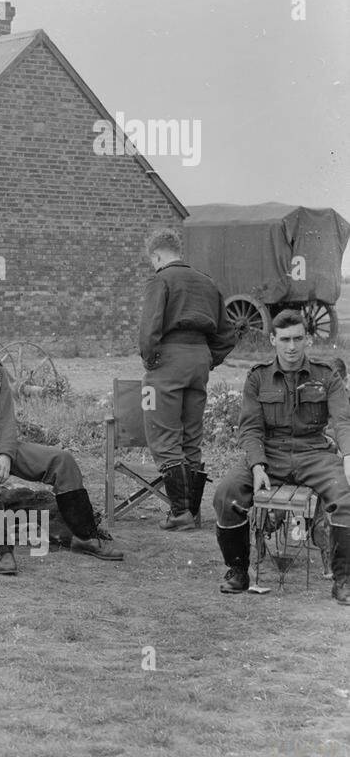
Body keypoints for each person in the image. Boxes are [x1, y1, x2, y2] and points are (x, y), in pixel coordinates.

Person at [0, 303, 124, 575]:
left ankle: (85, 537)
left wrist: (5, 453)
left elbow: (5, 418)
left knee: (62, 460)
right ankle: (2, 550)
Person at [211, 309, 350, 602]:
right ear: (273, 339)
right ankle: (237, 570)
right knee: (226, 493)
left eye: (298, 338)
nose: (291, 346)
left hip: (313, 453)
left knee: (347, 494)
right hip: (270, 454)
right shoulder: (258, 378)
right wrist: (258, 466)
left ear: (307, 339)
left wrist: (348, 455)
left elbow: (342, 420)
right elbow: (250, 428)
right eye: (284, 339)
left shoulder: (327, 376)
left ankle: (344, 580)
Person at [139, 227, 236, 530]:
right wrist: (209, 359)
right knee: (191, 438)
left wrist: (151, 358)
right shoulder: (207, 282)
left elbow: (148, 330)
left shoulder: (160, 279)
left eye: (152, 260)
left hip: (169, 360)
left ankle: (180, 512)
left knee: (163, 435)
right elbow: (228, 333)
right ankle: (192, 512)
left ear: (156, 255)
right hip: (199, 360)